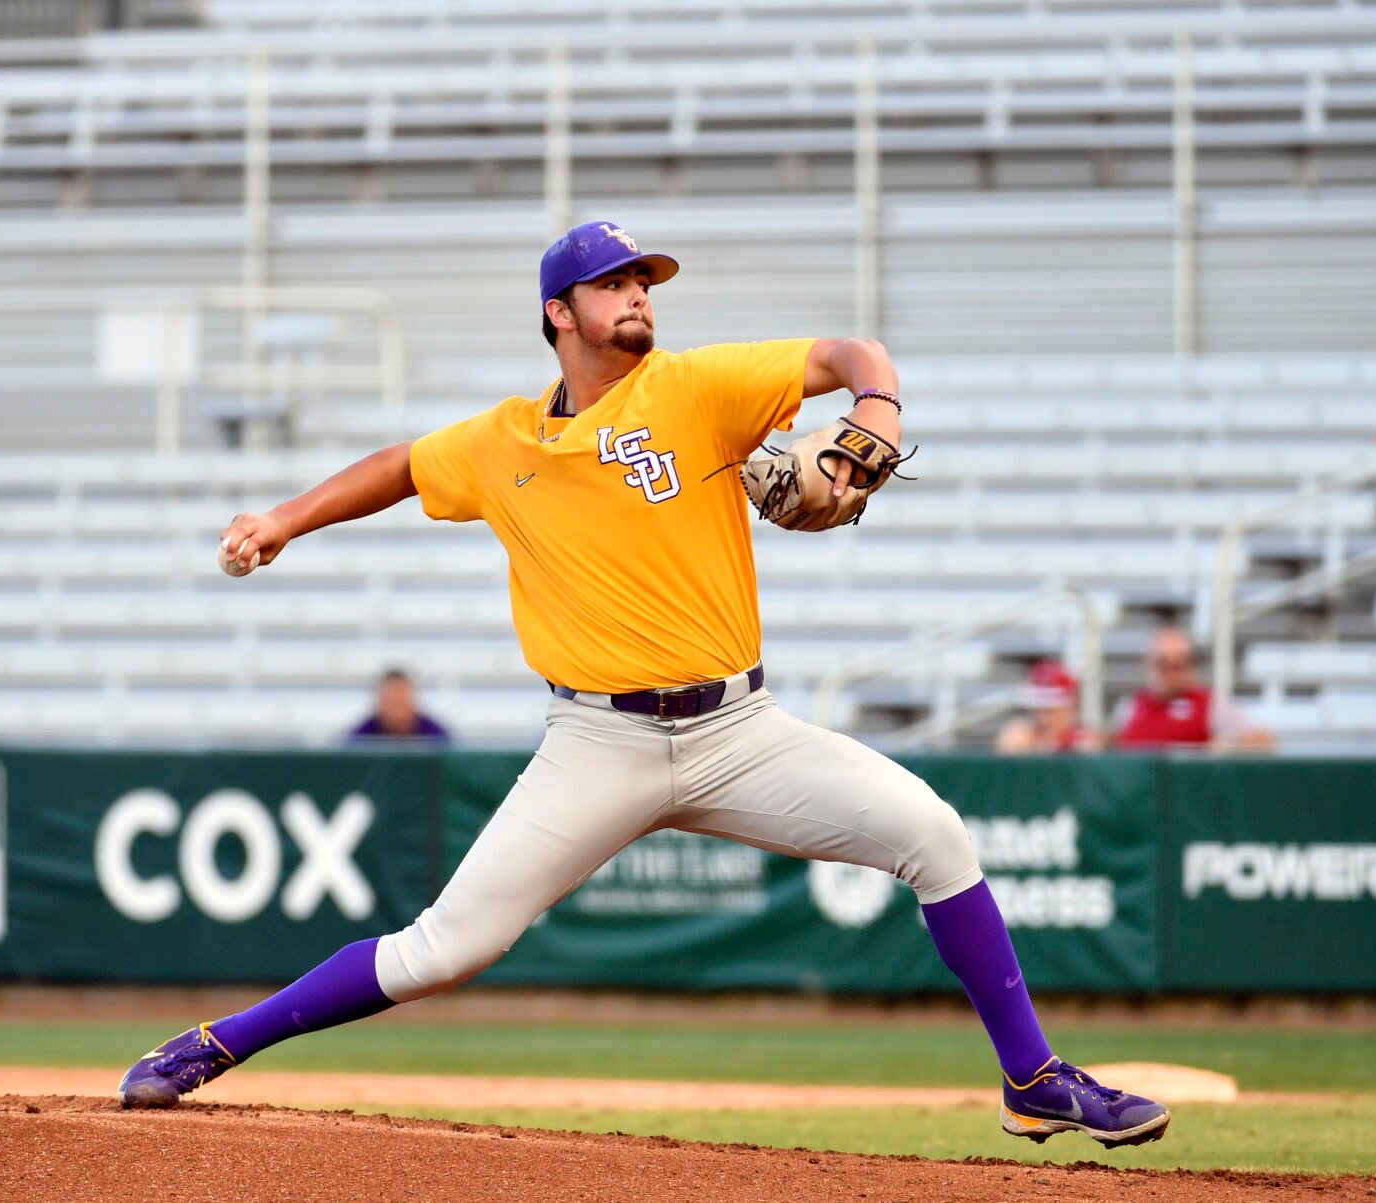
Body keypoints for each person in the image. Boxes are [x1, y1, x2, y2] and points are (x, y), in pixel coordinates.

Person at [116, 220, 1169, 1149]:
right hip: (597, 746)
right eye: (616, 282)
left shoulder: (697, 387)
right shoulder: (504, 442)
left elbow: (847, 351)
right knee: (446, 946)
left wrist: (878, 405)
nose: (638, 296)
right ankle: (219, 1042)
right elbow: (402, 463)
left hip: (738, 729)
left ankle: (1032, 1083)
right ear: (558, 312)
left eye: (645, 282)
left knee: (934, 836)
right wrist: (282, 520)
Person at [1115, 628, 1274, 752]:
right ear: (1148, 663)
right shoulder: (1134, 704)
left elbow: (1263, 742)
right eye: (1162, 663)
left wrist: (1228, 745)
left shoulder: (1209, 704)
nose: (1171, 673)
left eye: (1179, 664)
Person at [995, 660, 1102, 755]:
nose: (1043, 719)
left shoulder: (1082, 742)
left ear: (1070, 707)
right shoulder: (1022, 736)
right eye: (1038, 710)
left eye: (1052, 711)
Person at [346, 668, 451, 743]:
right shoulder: (360, 739)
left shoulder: (436, 737)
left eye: (402, 703)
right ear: (380, 702)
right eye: (393, 703)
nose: (398, 712)